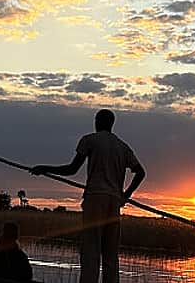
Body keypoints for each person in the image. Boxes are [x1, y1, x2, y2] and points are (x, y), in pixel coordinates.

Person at [29, 109, 144, 283]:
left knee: (91, 250)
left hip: (95, 198)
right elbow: (140, 172)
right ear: (112, 124)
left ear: (97, 121)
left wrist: (44, 168)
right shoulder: (122, 147)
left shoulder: (89, 140)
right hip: (114, 202)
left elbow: (72, 169)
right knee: (110, 254)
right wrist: (125, 196)